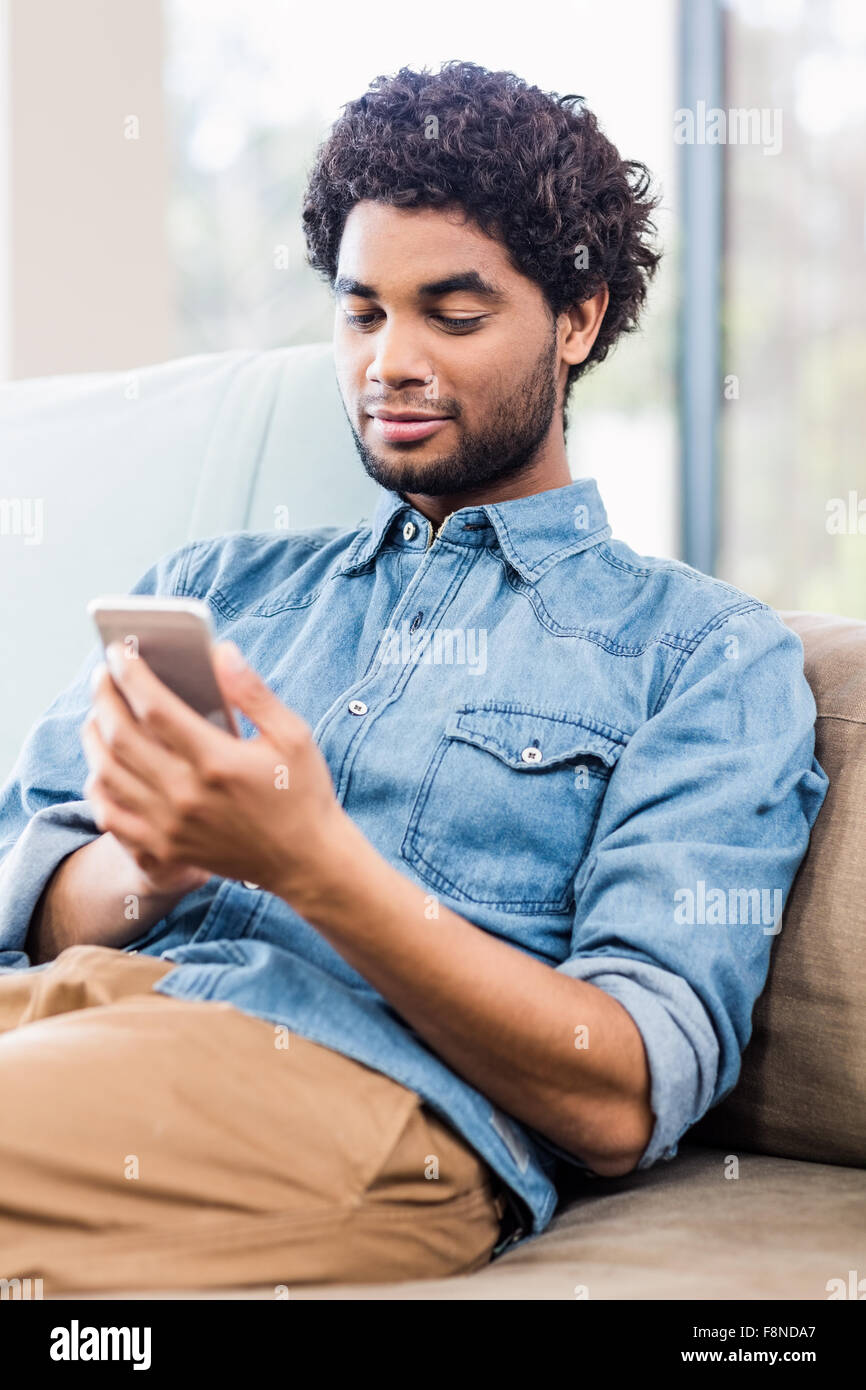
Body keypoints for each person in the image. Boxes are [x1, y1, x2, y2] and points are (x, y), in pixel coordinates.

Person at [0, 60, 828, 1294]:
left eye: (450, 313)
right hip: (81, 1006)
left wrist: (306, 860)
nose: (388, 361)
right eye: (359, 311)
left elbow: (621, 1091)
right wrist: (155, 859)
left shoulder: (702, 656)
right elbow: (33, 902)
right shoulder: (222, 585)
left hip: (360, 1090)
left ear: (577, 319)